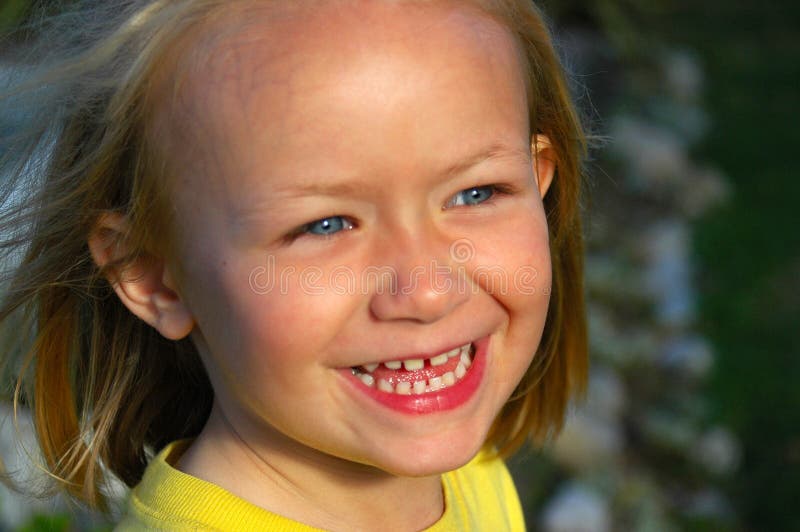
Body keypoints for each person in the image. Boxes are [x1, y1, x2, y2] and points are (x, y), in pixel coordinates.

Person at [0, 0, 587, 529]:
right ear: (154, 274)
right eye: (324, 226)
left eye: (476, 194)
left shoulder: (469, 470)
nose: (430, 292)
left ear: (538, 182)